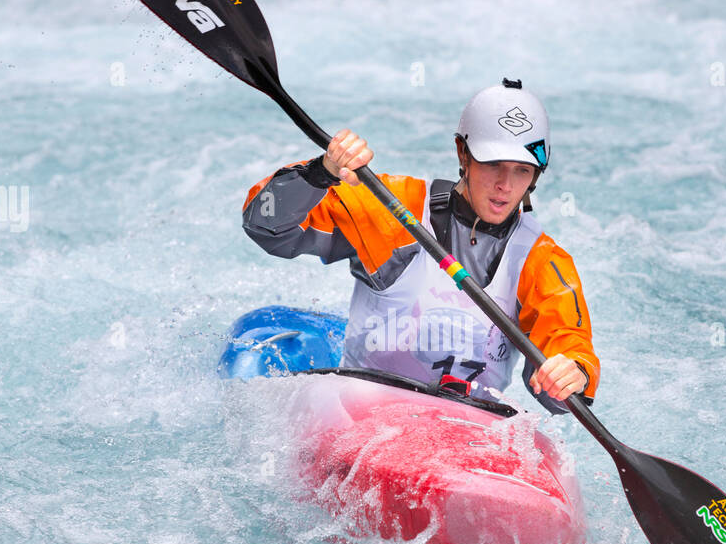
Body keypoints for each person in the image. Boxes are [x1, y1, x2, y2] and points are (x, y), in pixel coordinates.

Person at [242, 78, 599, 412]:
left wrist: (574, 374)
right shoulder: (394, 207)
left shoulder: (542, 259)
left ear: (536, 175)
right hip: (366, 405)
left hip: (471, 422)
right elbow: (266, 225)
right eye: (494, 165)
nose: (506, 185)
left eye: (522, 170)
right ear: (463, 153)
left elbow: (569, 344)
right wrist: (321, 172)